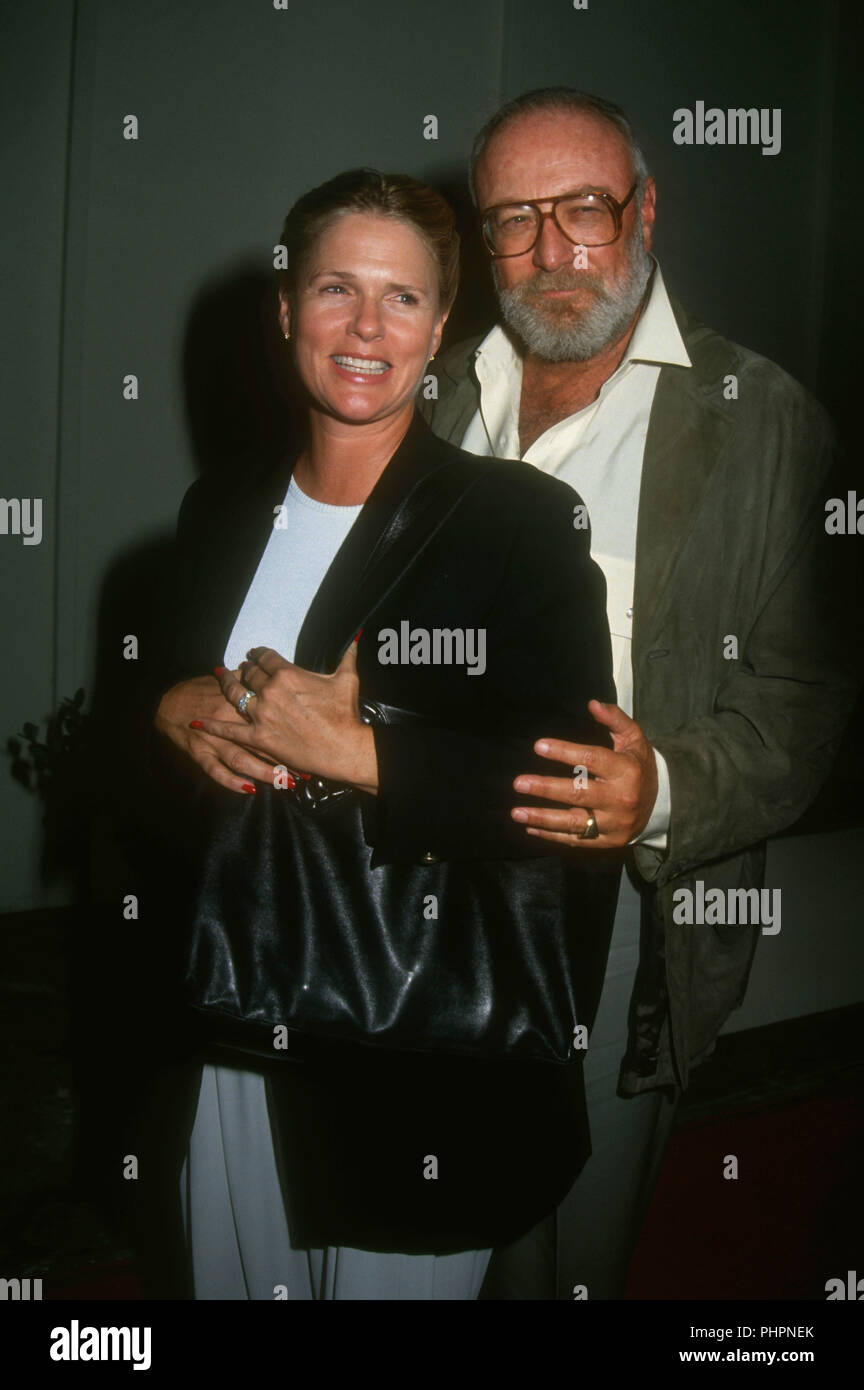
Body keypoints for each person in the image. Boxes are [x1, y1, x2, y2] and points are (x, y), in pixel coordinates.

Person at [150, 168, 621, 1300]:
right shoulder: (216, 509)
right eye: (336, 290)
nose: (367, 327)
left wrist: (365, 749)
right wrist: (160, 708)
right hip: (230, 1030)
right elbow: (176, 772)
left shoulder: (512, 522)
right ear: (284, 309)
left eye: (403, 298)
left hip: (408, 1063)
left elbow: (582, 791)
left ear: (441, 325)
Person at [420, 88, 860, 1299]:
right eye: (515, 219)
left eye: (586, 210)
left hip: (620, 913)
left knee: (558, 1254)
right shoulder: (434, 397)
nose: (552, 252)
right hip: (416, 876)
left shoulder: (761, 424)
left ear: (646, 210)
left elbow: (802, 705)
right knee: (417, 1228)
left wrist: (658, 787)